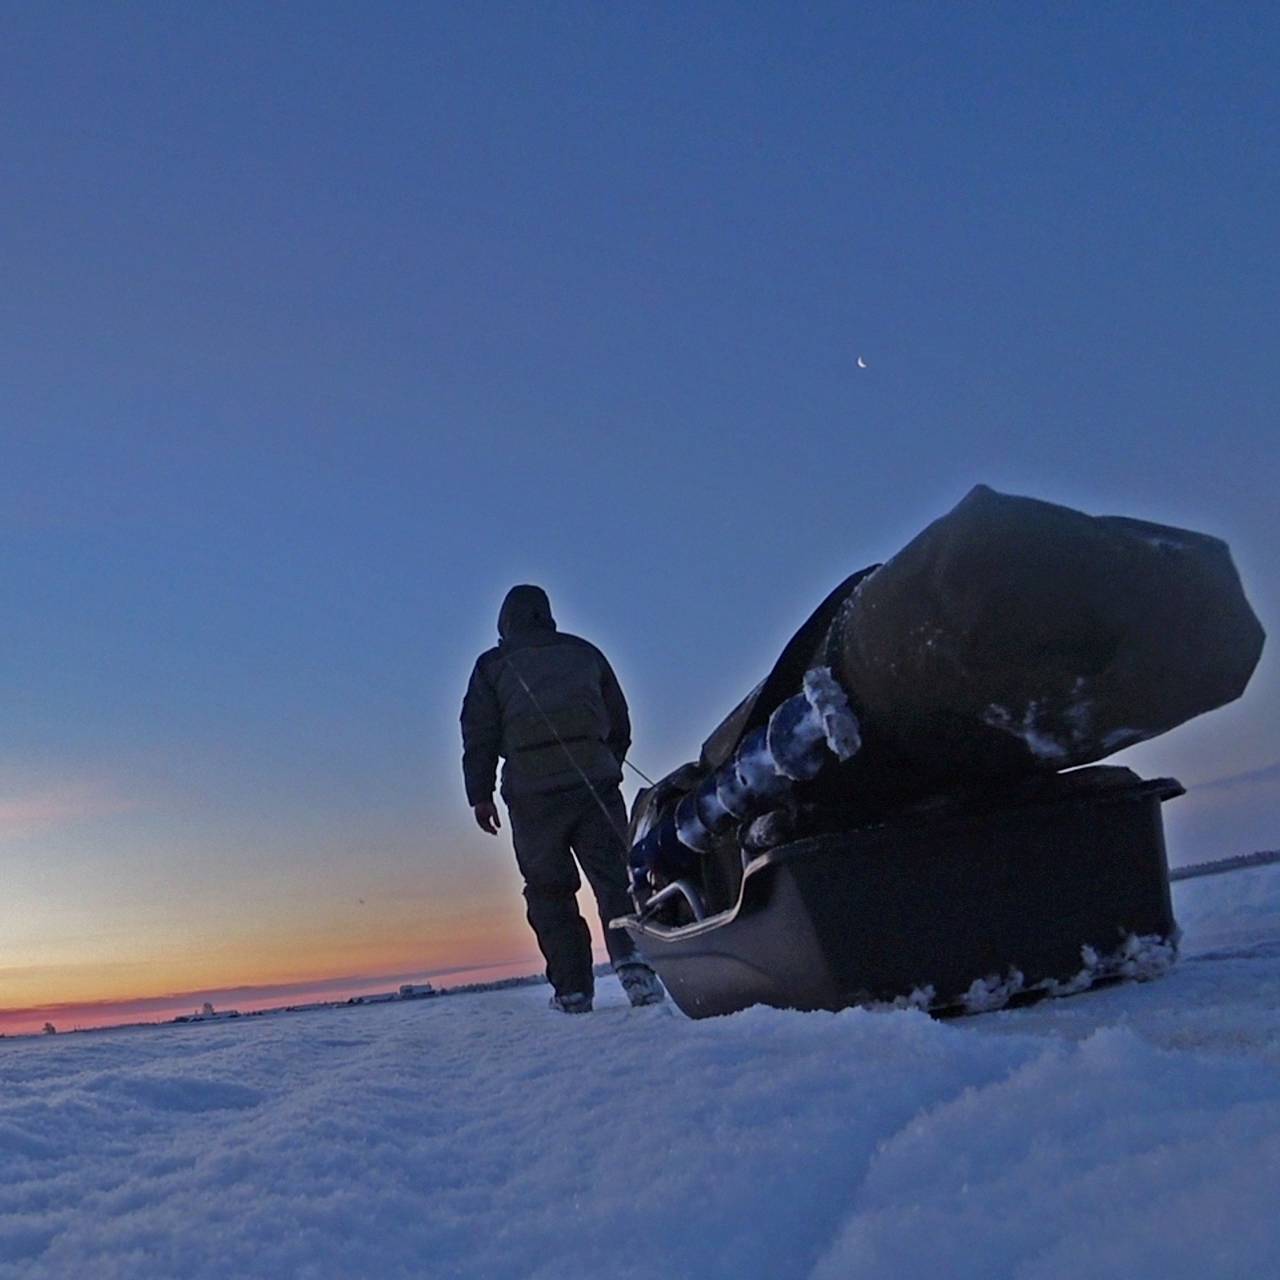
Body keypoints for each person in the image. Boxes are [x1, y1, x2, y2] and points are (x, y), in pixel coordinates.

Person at [460, 585, 664, 1013]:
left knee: (549, 891)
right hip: (596, 789)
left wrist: (480, 795)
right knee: (615, 880)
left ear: (505, 623)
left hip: (532, 800)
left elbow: (479, 734)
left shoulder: (492, 665)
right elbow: (619, 721)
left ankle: (572, 990)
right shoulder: (584, 652)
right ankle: (636, 969)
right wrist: (608, 767)